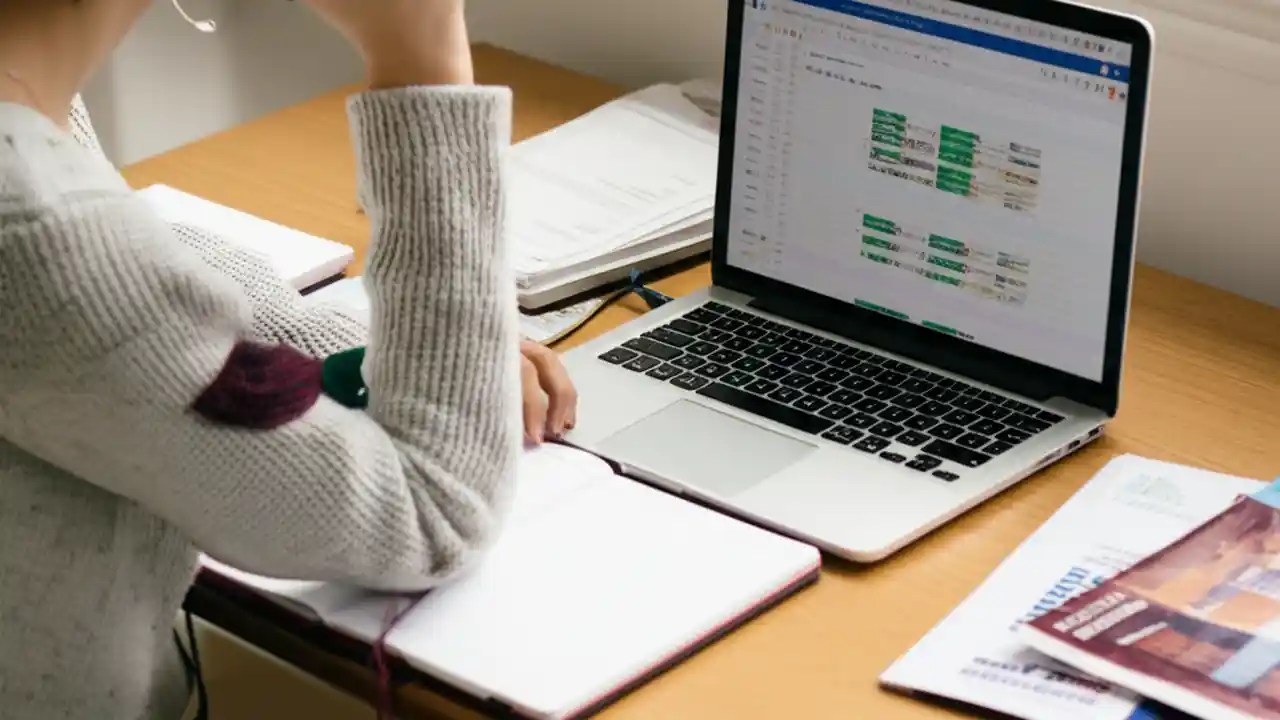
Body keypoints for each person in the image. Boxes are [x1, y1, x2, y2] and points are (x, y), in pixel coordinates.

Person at [0, 1, 576, 718]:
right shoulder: (35, 224)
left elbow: (117, 226)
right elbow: (435, 511)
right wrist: (424, 59)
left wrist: (426, 352)